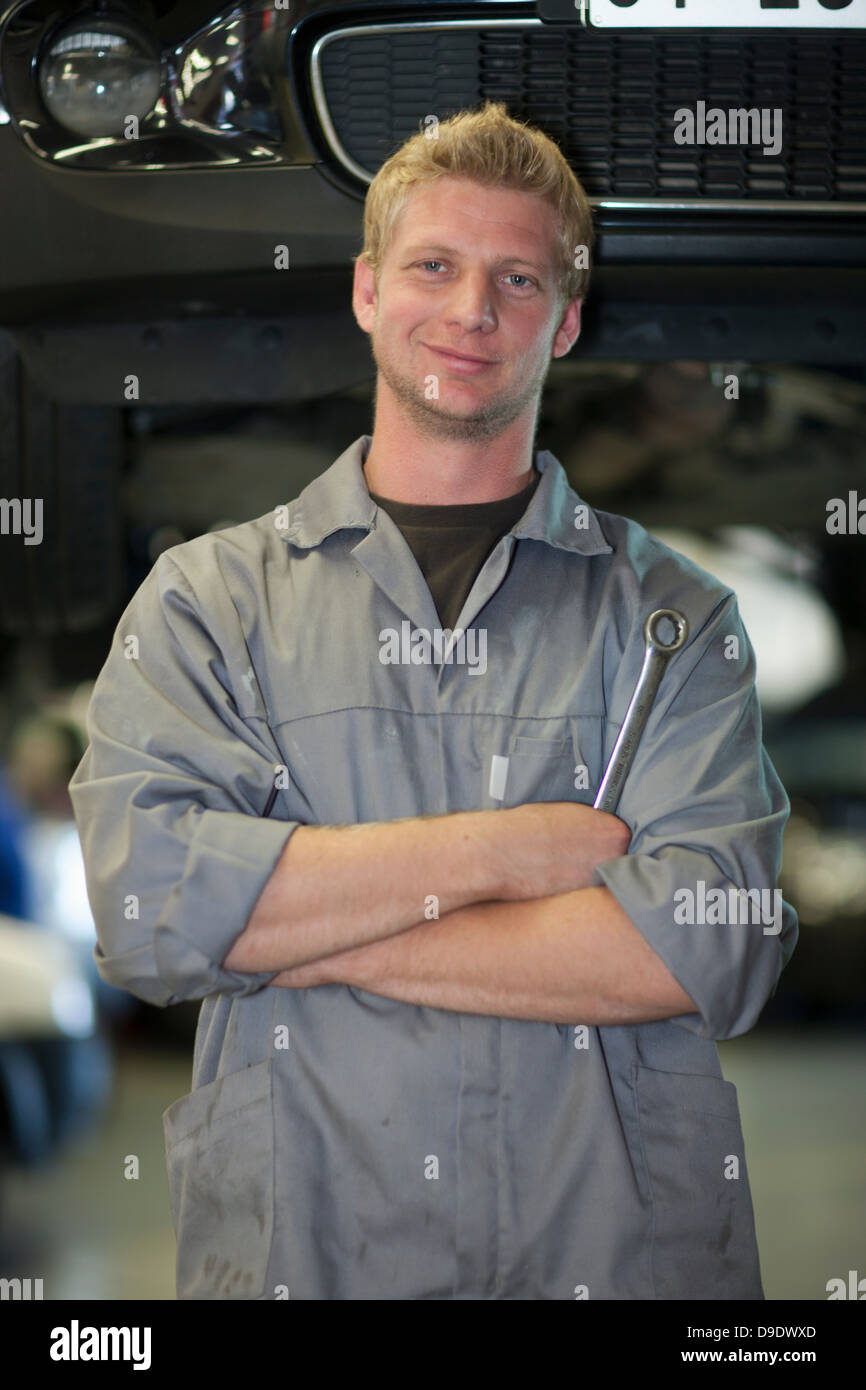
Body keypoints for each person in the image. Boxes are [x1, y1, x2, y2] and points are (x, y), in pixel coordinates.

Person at [69, 101, 798, 1301]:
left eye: (517, 279)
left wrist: (296, 935)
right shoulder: (208, 601)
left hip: (611, 1262)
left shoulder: (673, 621)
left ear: (566, 322)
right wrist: (512, 852)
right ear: (365, 291)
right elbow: (151, 908)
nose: (471, 312)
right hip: (311, 1255)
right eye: (434, 267)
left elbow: (706, 945)